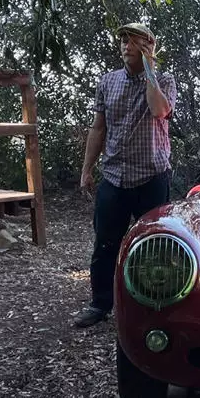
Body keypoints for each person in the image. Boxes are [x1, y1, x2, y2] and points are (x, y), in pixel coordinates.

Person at [73, 22, 177, 328]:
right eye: (122, 41)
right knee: (105, 244)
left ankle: (155, 305)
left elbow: (158, 110)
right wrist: (86, 169)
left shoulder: (165, 80)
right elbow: (98, 128)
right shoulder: (108, 81)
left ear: (148, 45)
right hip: (115, 177)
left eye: (133, 41)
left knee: (155, 245)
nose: (125, 46)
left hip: (152, 177)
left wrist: (149, 69)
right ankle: (100, 304)